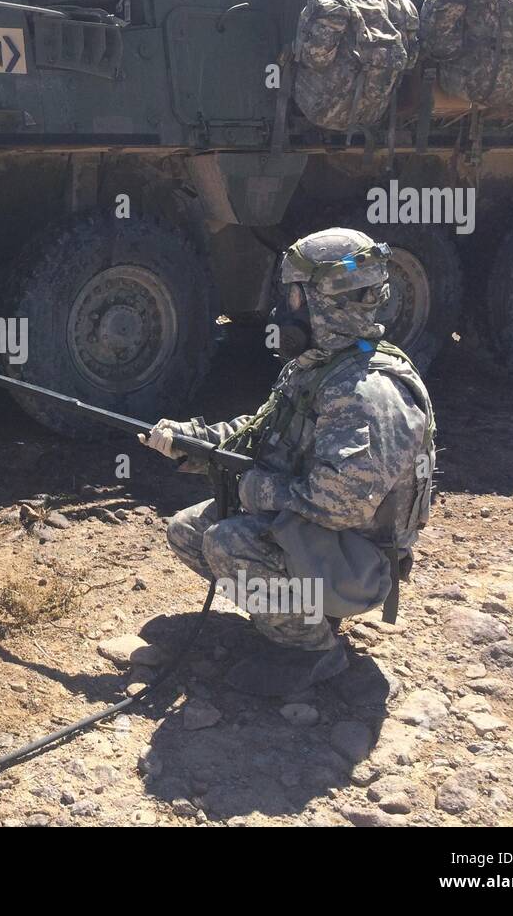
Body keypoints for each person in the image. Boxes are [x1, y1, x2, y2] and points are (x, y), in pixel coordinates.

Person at [143, 228, 435, 698]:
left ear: (326, 302)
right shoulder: (321, 366)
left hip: (358, 558)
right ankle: (303, 612)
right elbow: (264, 433)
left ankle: (311, 650)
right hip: (323, 538)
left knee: (228, 542)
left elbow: (339, 505)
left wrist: (253, 488)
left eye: (294, 295)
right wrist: (193, 441)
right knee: (189, 531)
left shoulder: (366, 393)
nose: (285, 308)